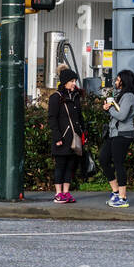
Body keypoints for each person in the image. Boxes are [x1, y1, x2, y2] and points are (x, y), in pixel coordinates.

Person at [101, 69, 134, 208]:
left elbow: (122, 116)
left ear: (123, 81)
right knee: (103, 159)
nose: (115, 82)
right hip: (114, 133)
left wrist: (109, 109)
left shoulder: (129, 96)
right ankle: (116, 191)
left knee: (118, 163)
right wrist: (109, 107)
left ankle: (123, 198)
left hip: (124, 133)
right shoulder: (121, 95)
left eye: (117, 80)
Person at [49, 67, 84, 203]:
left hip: (74, 138)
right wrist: (57, 137)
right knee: (60, 165)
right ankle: (58, 193)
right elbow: (52, 118)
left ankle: (66, 192)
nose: (74, 83)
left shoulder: (74, 96)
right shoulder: (56, 97)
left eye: (74, 80)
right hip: (62, 137)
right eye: (71, 81)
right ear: (64, 82)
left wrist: (83, 132)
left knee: (70, 166)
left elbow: (79, 116)